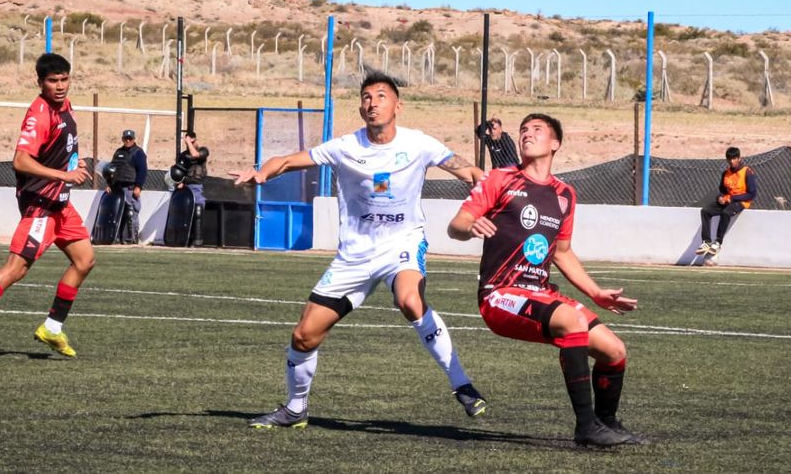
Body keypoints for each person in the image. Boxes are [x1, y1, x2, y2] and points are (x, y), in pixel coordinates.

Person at [233, 71, 488, 429]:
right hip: (354, 255)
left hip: (402, 243)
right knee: (304, 335)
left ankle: (462, 385)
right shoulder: (345, 147)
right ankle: (295, 409)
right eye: (367, 98)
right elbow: (288, 161)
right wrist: (261, 173)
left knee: (410, 301)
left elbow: (471, 173)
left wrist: (497, 195)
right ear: (360, 107)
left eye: (381, 96)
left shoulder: (419, 144)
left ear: (397, 105)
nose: (373, 103)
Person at [447, 113, 646, 448]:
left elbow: (563, 252)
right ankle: (586, 427)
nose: (527, 134)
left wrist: (596, 293)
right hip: (500, 295)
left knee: (614, 351)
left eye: (537, 130)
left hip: (540, 293)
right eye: (523, 130)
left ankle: (606, 423)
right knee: (572, 322)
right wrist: (471, 227)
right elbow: (457, 225)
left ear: (555, 144)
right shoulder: (500, 179)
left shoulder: (565, 195)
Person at [0, 53, 94, 362]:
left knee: (84, 260)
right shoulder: (40, 113)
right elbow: (21, 160)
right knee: (17, 268)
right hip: (41, 204)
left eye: (64, 79)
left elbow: (61, 147)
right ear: (39, 82)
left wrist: (74, 162)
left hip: (60, 203)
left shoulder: (65, 107)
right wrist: (65, 174)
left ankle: (52, 327)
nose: (60, 86)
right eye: (52, 81)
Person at [696, 146, 756, 261]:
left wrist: (733, 198)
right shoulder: (726, 173)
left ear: (739, 158)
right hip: (728, 200)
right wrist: (720, 198)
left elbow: (752, 194)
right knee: (705, 211)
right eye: (729, 159)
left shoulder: (747, 172)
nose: (731, 161)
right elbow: (722, 191)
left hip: (741, 202)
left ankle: (718, 243)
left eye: (734, 158)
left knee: (726, 212)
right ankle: (706, 242)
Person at [108, 129, 147, 243]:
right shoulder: (118, 152)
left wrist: (138, 186)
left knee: (131, 213)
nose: (128, 140)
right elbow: (112, 169)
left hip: (131, 187)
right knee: (118, 213)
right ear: (122, 139)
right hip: (117, 188)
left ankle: (132, 239)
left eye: (130, 138)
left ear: (134, 139)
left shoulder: (138, 153)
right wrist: (109, 184)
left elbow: (142, 171)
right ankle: (118, 238)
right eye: (126, 138)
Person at [175, 131, 209, 246]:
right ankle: (184, 238)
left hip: (196, 185)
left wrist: (189, 142)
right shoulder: (183, 155)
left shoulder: (203, 151)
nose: (188, 143)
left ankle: (198, 240)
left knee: (198, 208)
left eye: (190, 141)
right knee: (183, 212)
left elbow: (195, 155)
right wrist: (179, 182)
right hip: (184, 186)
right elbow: (179, 171)